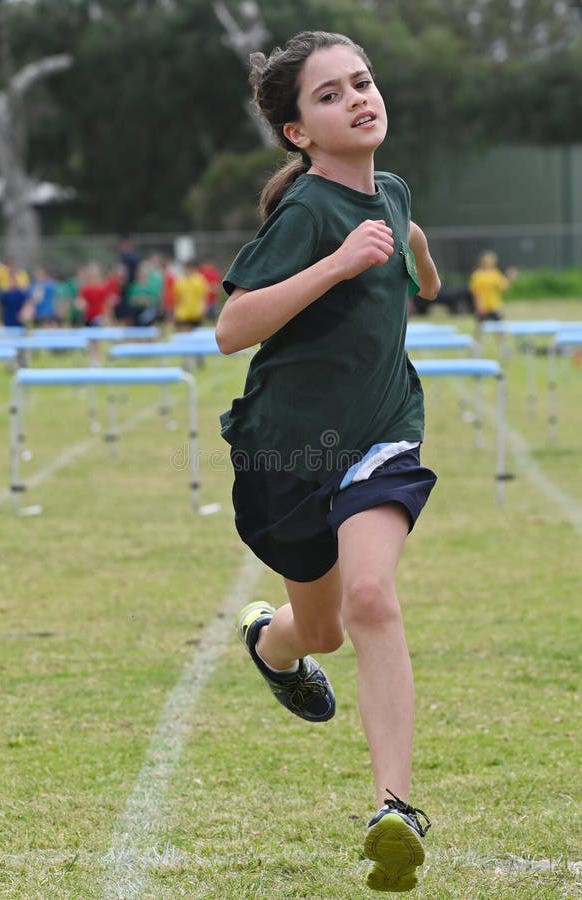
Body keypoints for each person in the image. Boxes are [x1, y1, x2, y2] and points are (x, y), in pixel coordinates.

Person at [215, 31, 441, 894]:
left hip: (382, 431)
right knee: (322, 630)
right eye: (329, 95)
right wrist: (340, 263)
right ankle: (271, 647)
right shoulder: (307, 212)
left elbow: (417, 278)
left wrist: (414, 249)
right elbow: (233, 329)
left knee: (374, 598)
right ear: (297, 133)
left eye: (362, 81)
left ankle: (394, 810)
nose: (357, 98)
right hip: (287, 452)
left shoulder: (392, 189)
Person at [469, 250, 516, 349]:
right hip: (482, 307)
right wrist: (478, 307)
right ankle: (477, 349)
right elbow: (475, 292)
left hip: (494, 306)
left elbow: (504, 286)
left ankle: (503, 348)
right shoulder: (477, 275)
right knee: (479, 330)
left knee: (499, 330)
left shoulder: (495, 274)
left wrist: (510, 277)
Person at [172, 260, 209, 331]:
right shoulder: (180, 281)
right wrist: (175, 311)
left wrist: (203, 308)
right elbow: (177, 298)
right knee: (184, 333)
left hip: (195, 313)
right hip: (182, 313)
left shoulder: (200, 280)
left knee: (194, 334)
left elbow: (203, 297)